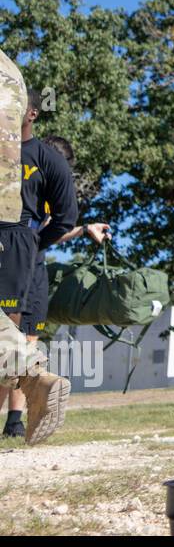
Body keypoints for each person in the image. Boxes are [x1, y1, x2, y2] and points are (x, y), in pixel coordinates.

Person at [0, 95, 84, 439]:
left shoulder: (46, 160)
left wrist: (33, 243)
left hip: (15, 242)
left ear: (32, 112)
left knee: (11, 333)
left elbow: (65, 217)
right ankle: (39, 381)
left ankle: (34, 388)